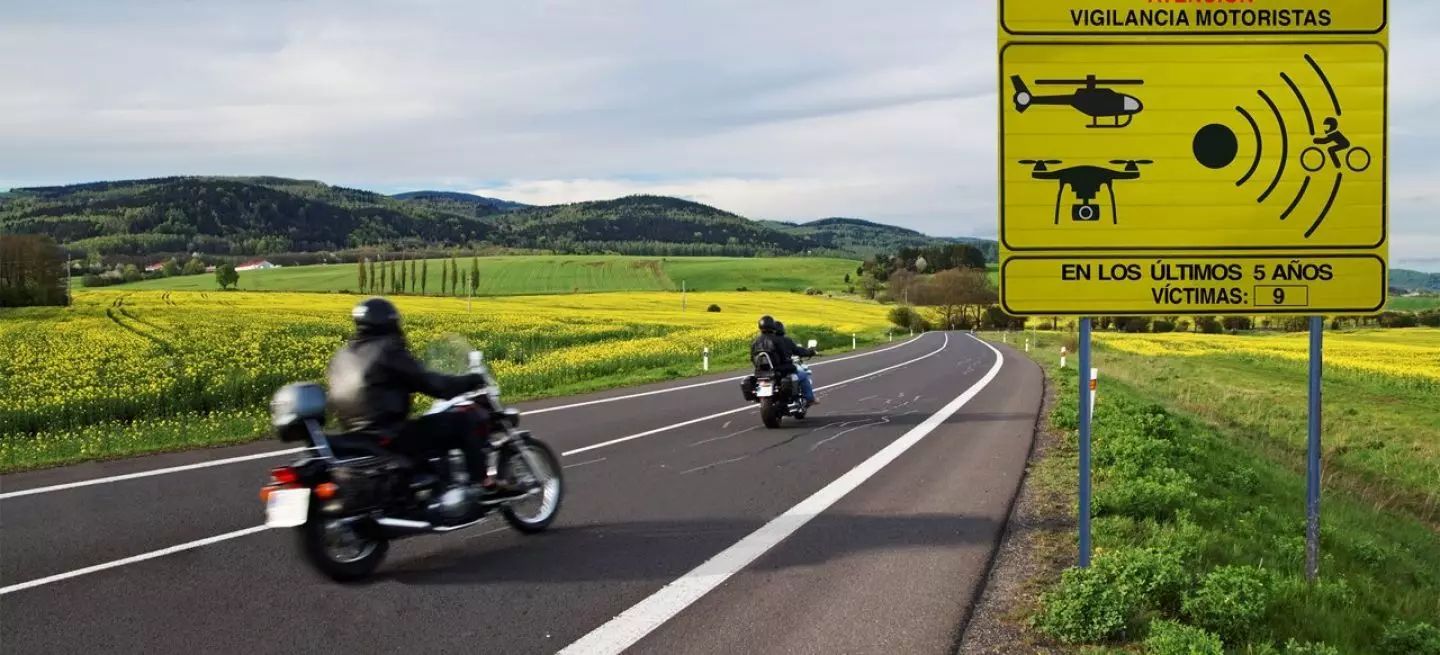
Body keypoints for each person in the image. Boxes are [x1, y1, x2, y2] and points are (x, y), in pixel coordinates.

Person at [326, 297, 521, 500]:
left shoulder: (342, 355)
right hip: (391, 435)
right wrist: (470, 380)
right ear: (390, 322)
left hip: (358, 437)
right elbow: (432, 384)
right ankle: (483, 483)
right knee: (465, 418)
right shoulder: (386, 349)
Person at [775, 321, 819, 404]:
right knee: (803, 374)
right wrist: (810, 352)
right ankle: (810, 398)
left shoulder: (763, 341)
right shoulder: (785, 340)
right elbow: (798, 351)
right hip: (783, 369)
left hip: (767, 372)